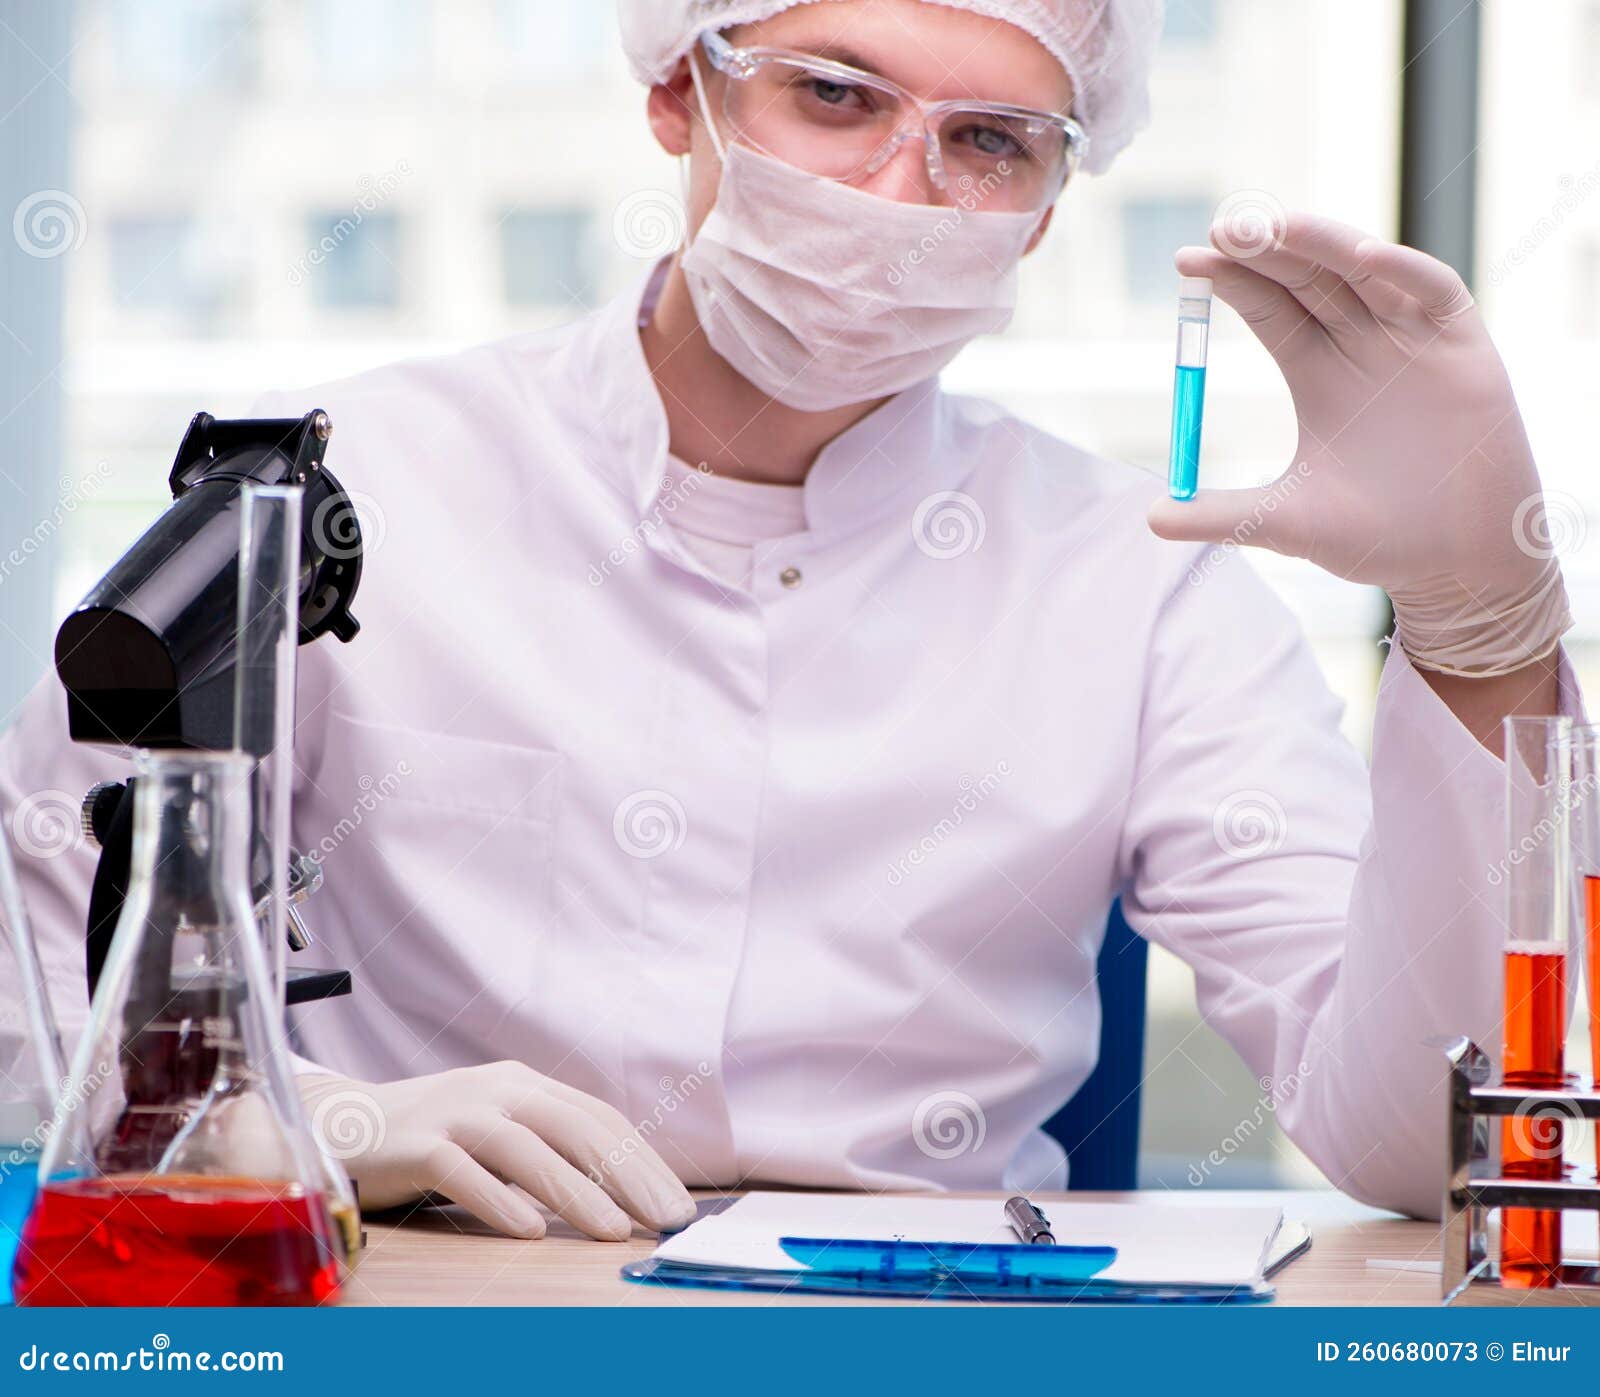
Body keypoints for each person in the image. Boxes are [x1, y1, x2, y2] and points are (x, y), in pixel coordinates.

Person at [0, 0, 1575, 1242]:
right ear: (678, 88)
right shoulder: (336, 488)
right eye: (833, 95)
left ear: (1046, 208)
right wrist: (314, 1118)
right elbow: (29, 1017)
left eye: (992, 140)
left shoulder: (1141, 579)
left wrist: (1479, 630)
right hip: (431, 1301)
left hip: (925, 1335)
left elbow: (1425, 1144)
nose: (903, 190)